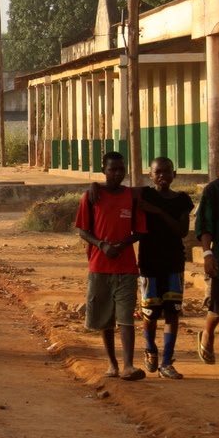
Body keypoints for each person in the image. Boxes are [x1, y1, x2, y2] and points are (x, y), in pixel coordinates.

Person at [75, 151, 147, 380]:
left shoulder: (132, 197)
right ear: (104, 171)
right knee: (105, 318)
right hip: (99, 265)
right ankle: (112, 363)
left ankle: (128, 365)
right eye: (112, 169)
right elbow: (82, 230)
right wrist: (102, 245)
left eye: (120, 169)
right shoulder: (91, 196)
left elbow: (139, 231)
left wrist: (123, 244)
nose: (116, 174)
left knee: (126, 317)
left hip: (126, 266)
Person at [129, 157, 193, 379]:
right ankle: (150, 349)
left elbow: (181, 231)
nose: (163, 176)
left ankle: (167, 362)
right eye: (158, 172)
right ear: (151, 175)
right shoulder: (144, 194)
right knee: (149, 312)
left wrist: (158, 212)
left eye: (167, 172)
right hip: (149, 263)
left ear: (174, 174)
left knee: (172, 313)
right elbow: (120, 190)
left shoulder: (182, 200)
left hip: (174, 263)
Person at [195, 168, 219, 365]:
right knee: (218, 308)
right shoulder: (214, 190)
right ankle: (207, 333)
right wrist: (207, 253)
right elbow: (204, 224)